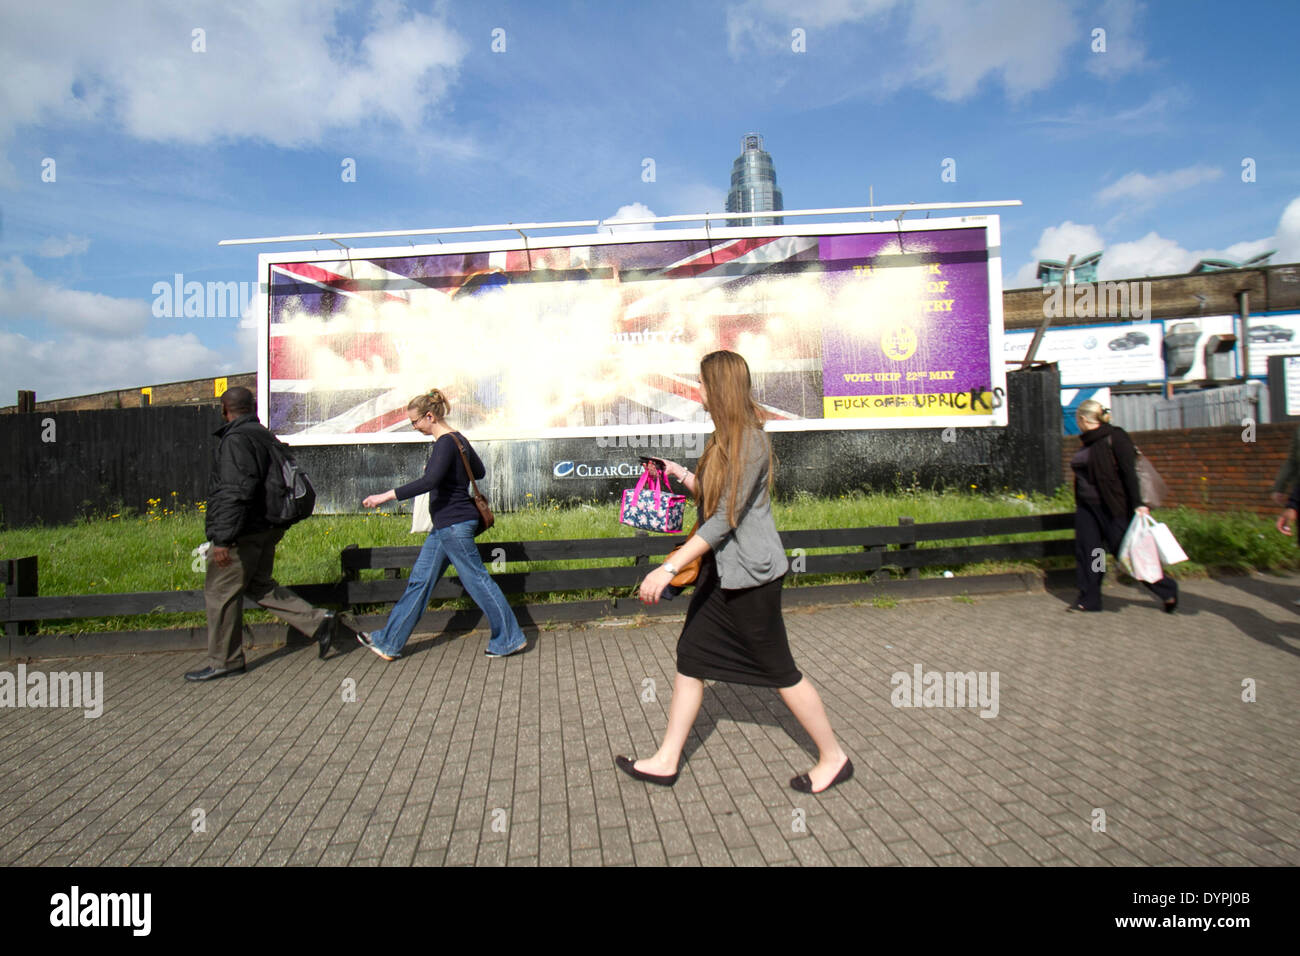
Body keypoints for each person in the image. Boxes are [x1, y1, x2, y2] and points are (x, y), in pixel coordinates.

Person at [615, 350, 853, 794]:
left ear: (719, 388)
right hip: (721, 572)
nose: (698, 391)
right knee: (691, 656)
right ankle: (667, 760)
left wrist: (668, 568)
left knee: (779, 669)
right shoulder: (723, 437)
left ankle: (834, 757)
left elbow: (726, 516)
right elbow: (712, 497)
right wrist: (682, 475)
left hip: (751, 577)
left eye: (703, 384)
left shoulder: (751, 441)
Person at [186, 386, 347, 682]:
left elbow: (236, 491)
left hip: (242, 532)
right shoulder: (263, 435)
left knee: (221, 594)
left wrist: (222, 539)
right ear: (254, 407)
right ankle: (318, 621)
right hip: (267, 527)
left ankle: (225, 661)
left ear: (224, 409)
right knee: (259, 585)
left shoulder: (235, 440)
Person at [357, 389, 527, 660]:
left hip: (453, 525)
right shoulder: (458, 440)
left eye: (415, 422)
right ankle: (389, 642)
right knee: (420, 582)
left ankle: (509, 638)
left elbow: (429, 482)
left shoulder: (445, 444)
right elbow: (479, 471)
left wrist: (385, 496)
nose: (414, 427)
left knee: (478, 582)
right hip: (446, 527)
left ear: (430, 416)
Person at [1068, 399, 1178, 613]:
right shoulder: (1088, 442)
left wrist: (1138, 504)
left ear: (1082, 419)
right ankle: (1091, 597)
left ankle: (1166, 588)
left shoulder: (1116, 437)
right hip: (1088, 509)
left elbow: (1129, 472)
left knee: (1127, 552)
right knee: (1093, 552)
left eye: (1077, 420)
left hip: (1113, 507)